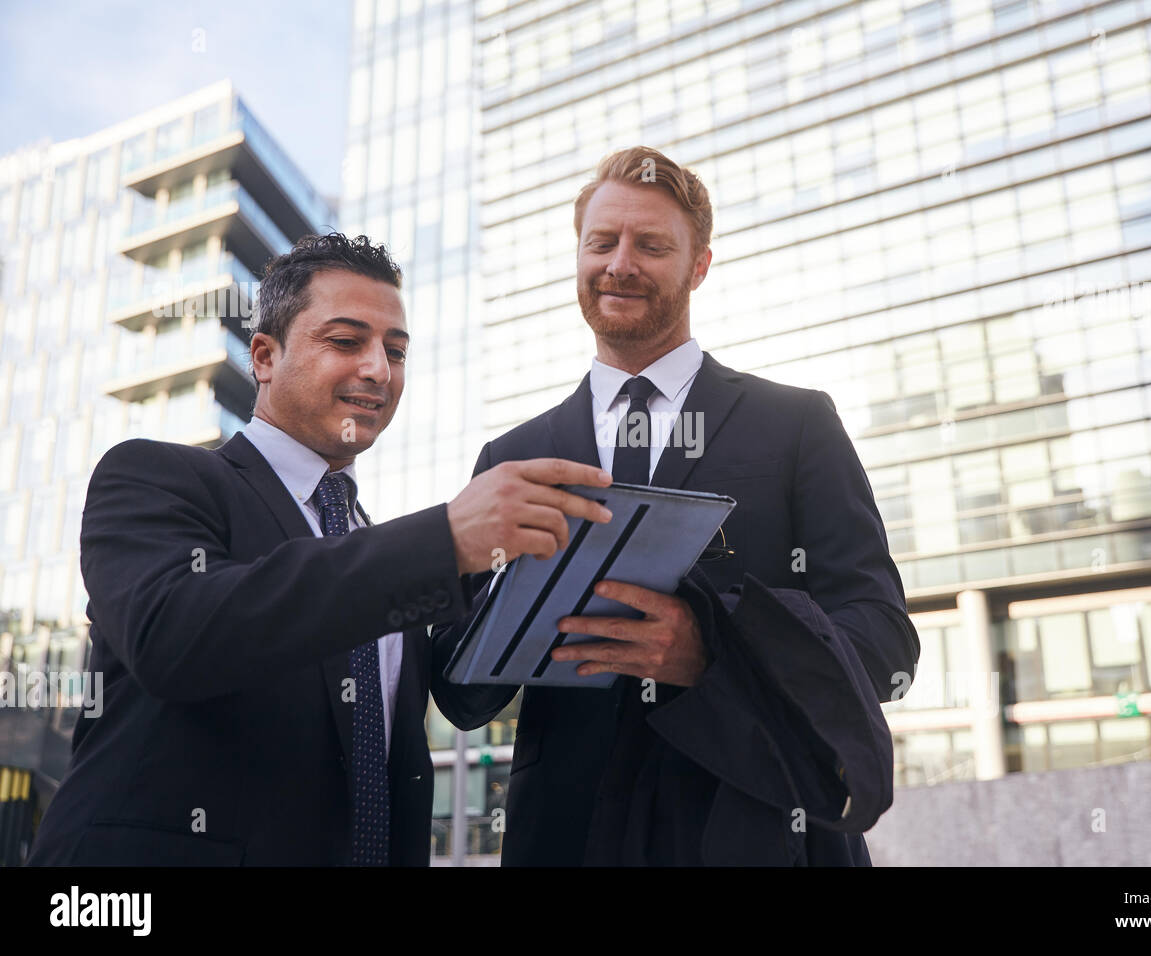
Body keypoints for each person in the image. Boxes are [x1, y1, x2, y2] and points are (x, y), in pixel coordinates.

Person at [27, 233, 611, 866]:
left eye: (396, 351)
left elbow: (456, 707)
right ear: (264, 356)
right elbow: (174, 637)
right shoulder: (153, 476)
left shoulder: (379, 548)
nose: (378, 370)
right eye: (345, 341)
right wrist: (444, 539)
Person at [432, 148, 920, 866]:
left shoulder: (796, 425)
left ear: (699, 267)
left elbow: (883, 642)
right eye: (601, 243)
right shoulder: (512, 457)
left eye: (651, 246)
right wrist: (513, 612)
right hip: (567, 839)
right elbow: (458, 694)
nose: (620, 264)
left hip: (756, 830)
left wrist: (715, 650)